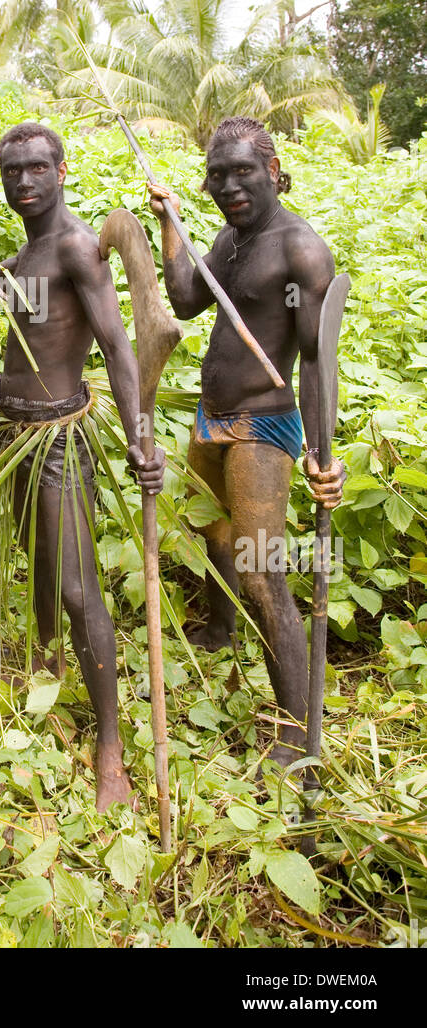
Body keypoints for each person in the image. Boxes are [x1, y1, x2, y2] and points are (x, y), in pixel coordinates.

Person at [0, 122, 165, 813]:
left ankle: (111, 746)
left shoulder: (77, 250)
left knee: (79, 586)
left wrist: (139, 438)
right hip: (14, 438)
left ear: (62, 171)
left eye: (35, 169)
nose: (22, 182)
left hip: (57, 441)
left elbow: (118, 347)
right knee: (39, 561)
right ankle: (47, 659)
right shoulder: (27, 252)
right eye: (11, 173)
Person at [149, 116, 345, 768]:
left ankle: (297, 730)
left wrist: (322, 452)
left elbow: (316, 360)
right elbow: (183, 301)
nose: (229, 185)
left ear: (272, 169)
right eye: (217, 175)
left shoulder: (300, 251)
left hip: (264, 426)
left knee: (261, 569)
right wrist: (169, 223)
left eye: (242, 172)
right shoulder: (229, 239)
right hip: (211, 418)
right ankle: (218, 628)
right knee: (210, 532)